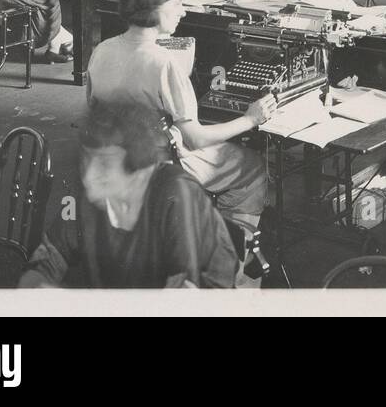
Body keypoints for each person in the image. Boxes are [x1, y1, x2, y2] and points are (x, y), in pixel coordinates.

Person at [86, 0, 273, 234]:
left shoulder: (101, 51)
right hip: (161, 165)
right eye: (177, 4)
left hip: (116, 160)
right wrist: (250, 119)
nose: (183, 11)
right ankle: (231, 257)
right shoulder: (164, 64)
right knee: (253, 167)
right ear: (155, 8)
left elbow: (94, 112)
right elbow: (196, 139)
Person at [19, 100, 239, 289]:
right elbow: (47, 258)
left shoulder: (177, 194)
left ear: (139, 169)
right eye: (87, 158)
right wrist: (38, 287)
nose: (89, 175)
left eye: (105, 163)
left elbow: (182, 294)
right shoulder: (85, 199)